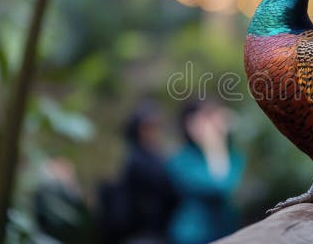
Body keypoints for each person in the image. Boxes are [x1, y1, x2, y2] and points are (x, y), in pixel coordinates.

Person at [167, 99, 244, 244]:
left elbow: (231, 181)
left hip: (228, 233)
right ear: (189, 125)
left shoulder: (232, 156)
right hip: (193, 236)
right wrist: (214, 145)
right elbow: (220, 187)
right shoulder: (182, 160)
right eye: (206, 119)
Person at [99, 102, 176, 244]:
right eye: (150, 126)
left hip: (156, 229)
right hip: (140, 232)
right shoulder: (136, 159)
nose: (155, 131)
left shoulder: (152, 154)